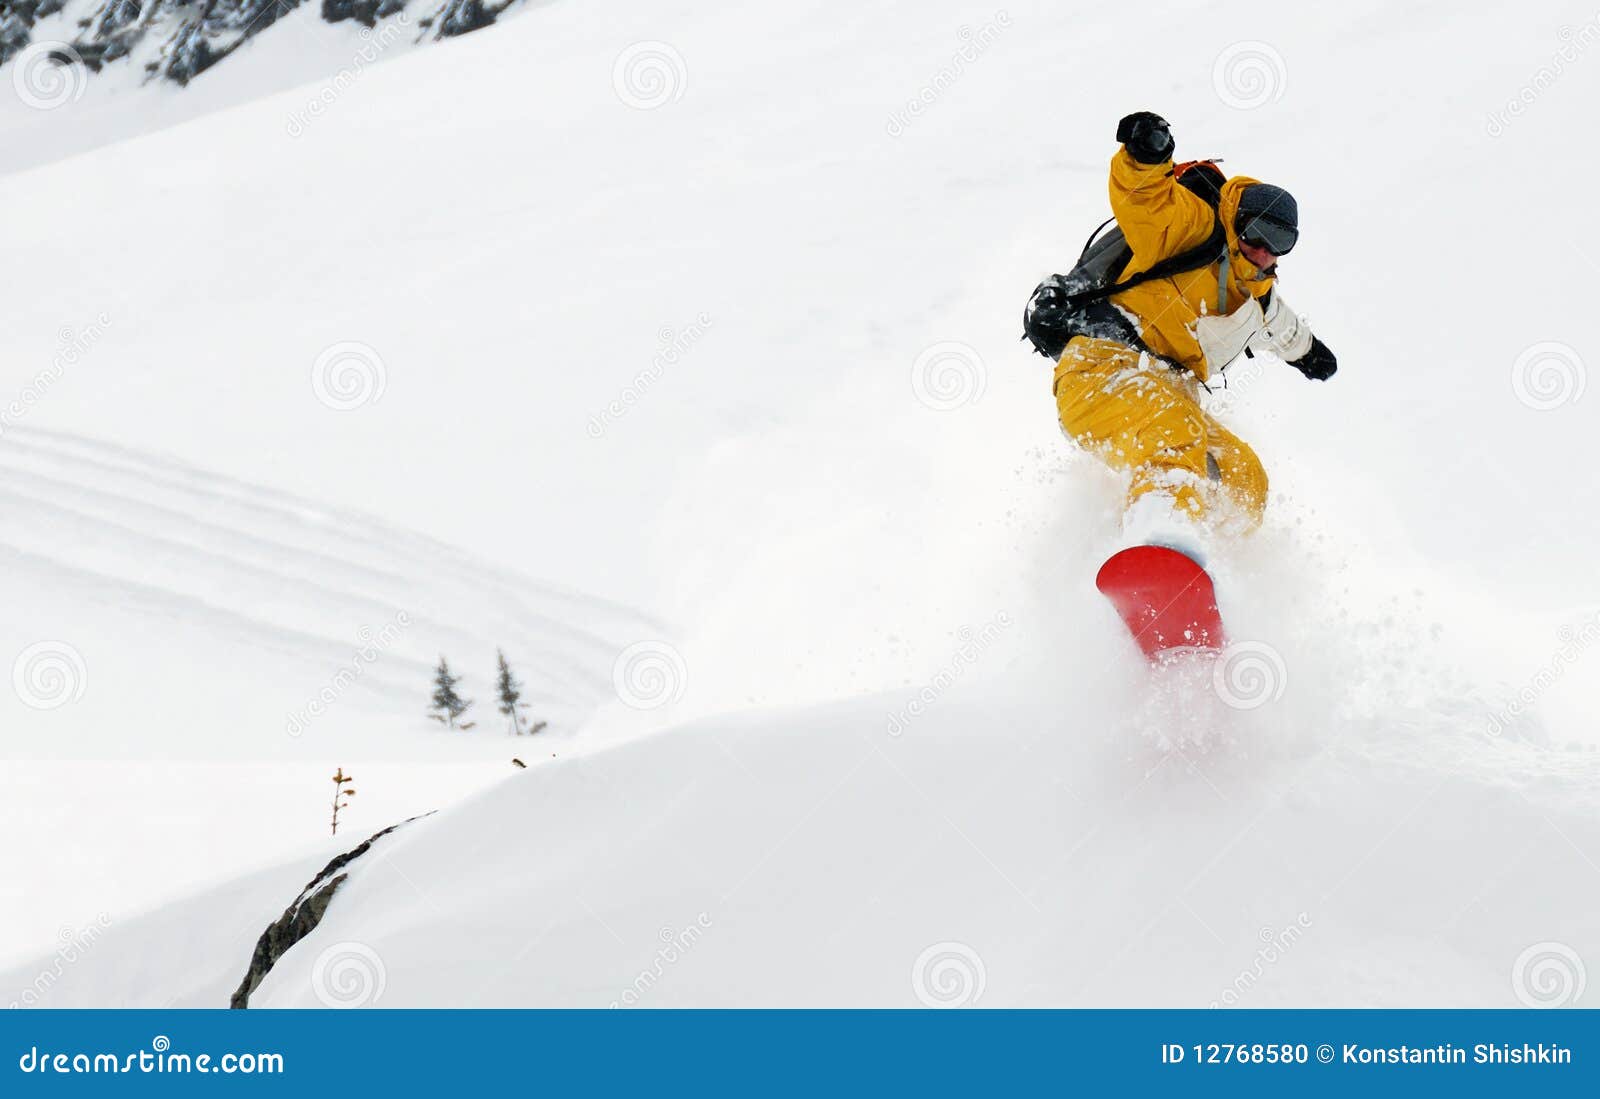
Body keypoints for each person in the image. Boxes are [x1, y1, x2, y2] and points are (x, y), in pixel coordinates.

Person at [1053, 111, 1336, 554]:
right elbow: (1146, 199)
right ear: (1238, 221)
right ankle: (1161, 541)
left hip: (1167, 392)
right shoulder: (1191, 229)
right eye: (1258, 233)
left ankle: (1209, 561)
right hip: (1102, 370)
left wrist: (1309, 352)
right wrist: (1146, 155)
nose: (1264, 251)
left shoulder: (1257, 296)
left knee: (1244, 475)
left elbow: (1283, 327)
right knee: (1176, 431)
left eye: (1280, 242)